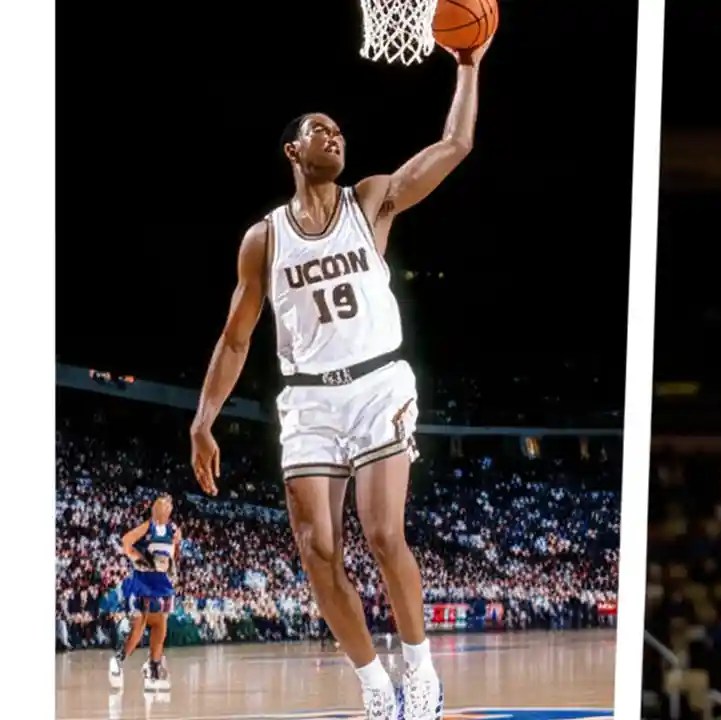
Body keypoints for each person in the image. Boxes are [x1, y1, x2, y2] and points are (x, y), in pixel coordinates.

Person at [188, 39, 490, 720]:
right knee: (316, 548)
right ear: (293, 151)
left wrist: (468, 68)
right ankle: (375, 686)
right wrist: (204, 419)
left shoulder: (372, 200)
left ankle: (420, 671)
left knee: (383, 533)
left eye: (339, 129)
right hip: (309, 399)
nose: (335, 135)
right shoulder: (264, 238)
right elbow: (237, 337)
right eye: (319, 128)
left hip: (379, 382)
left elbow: (454, 145)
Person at [109, 494, 181, 692]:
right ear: (154, 509)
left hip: (161, 582)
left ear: (170, 510)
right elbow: (126, 542)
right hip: (143, 580)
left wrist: (171, 566)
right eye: (160, 504)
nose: (163, 508)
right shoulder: (147, 527)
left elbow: (173, 551)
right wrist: (139, 558)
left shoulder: (173, 530)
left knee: (160, 625)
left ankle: (153, 667)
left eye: (167, 505)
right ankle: (118, 660)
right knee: (138, 628)